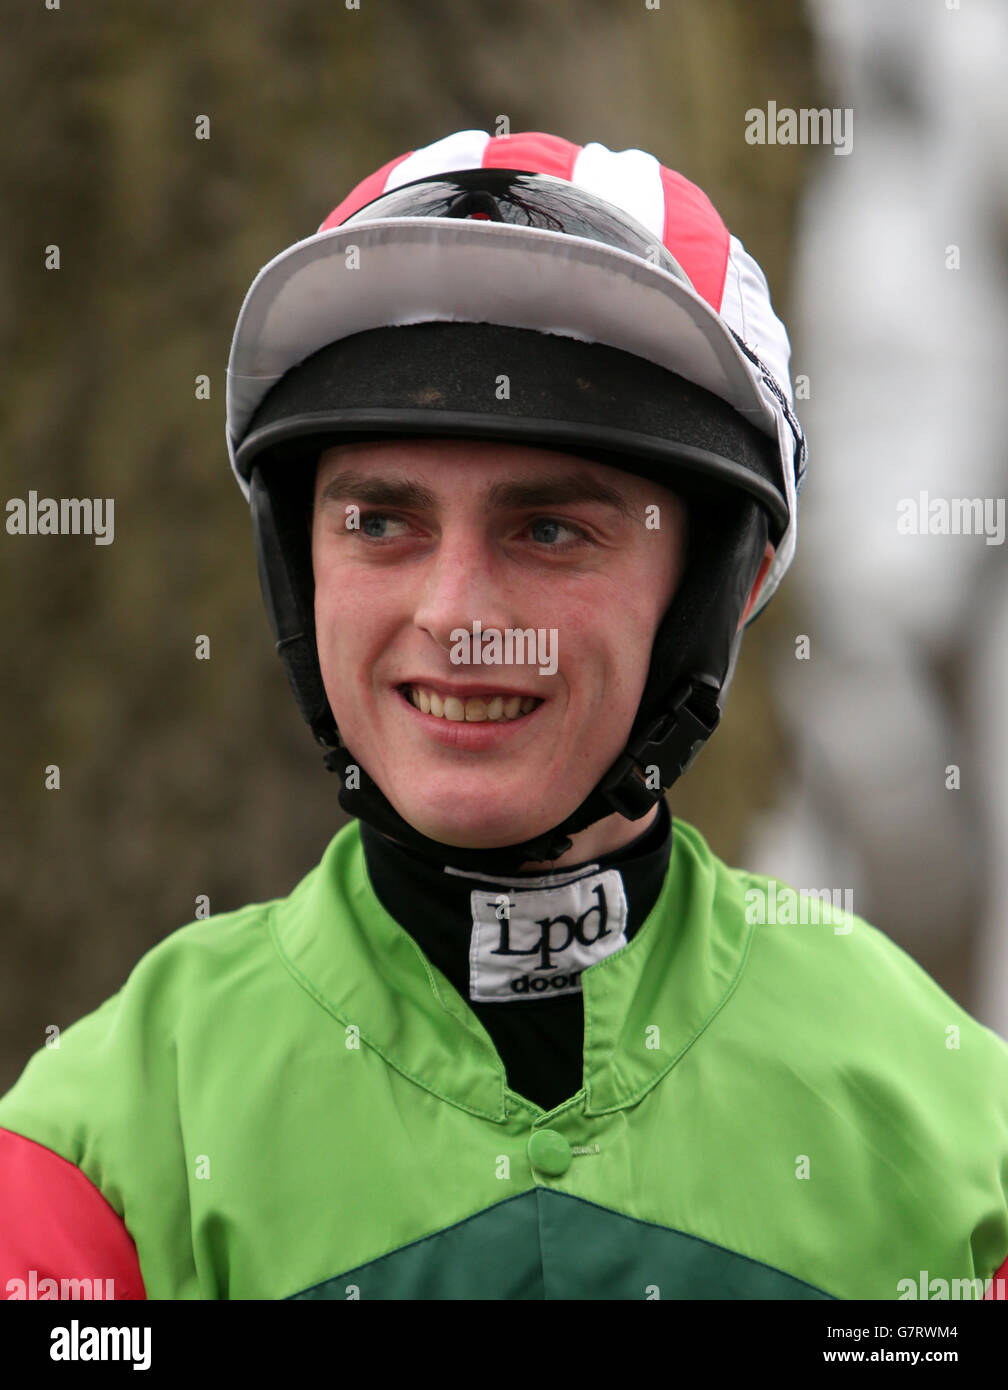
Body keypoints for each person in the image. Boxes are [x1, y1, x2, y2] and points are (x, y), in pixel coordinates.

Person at [1, 130, 1006, 1302]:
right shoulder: (96, 1153)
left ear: (716, 588)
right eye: (381, 522)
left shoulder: (959, 1146)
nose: (458, 616)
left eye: (550, 529)